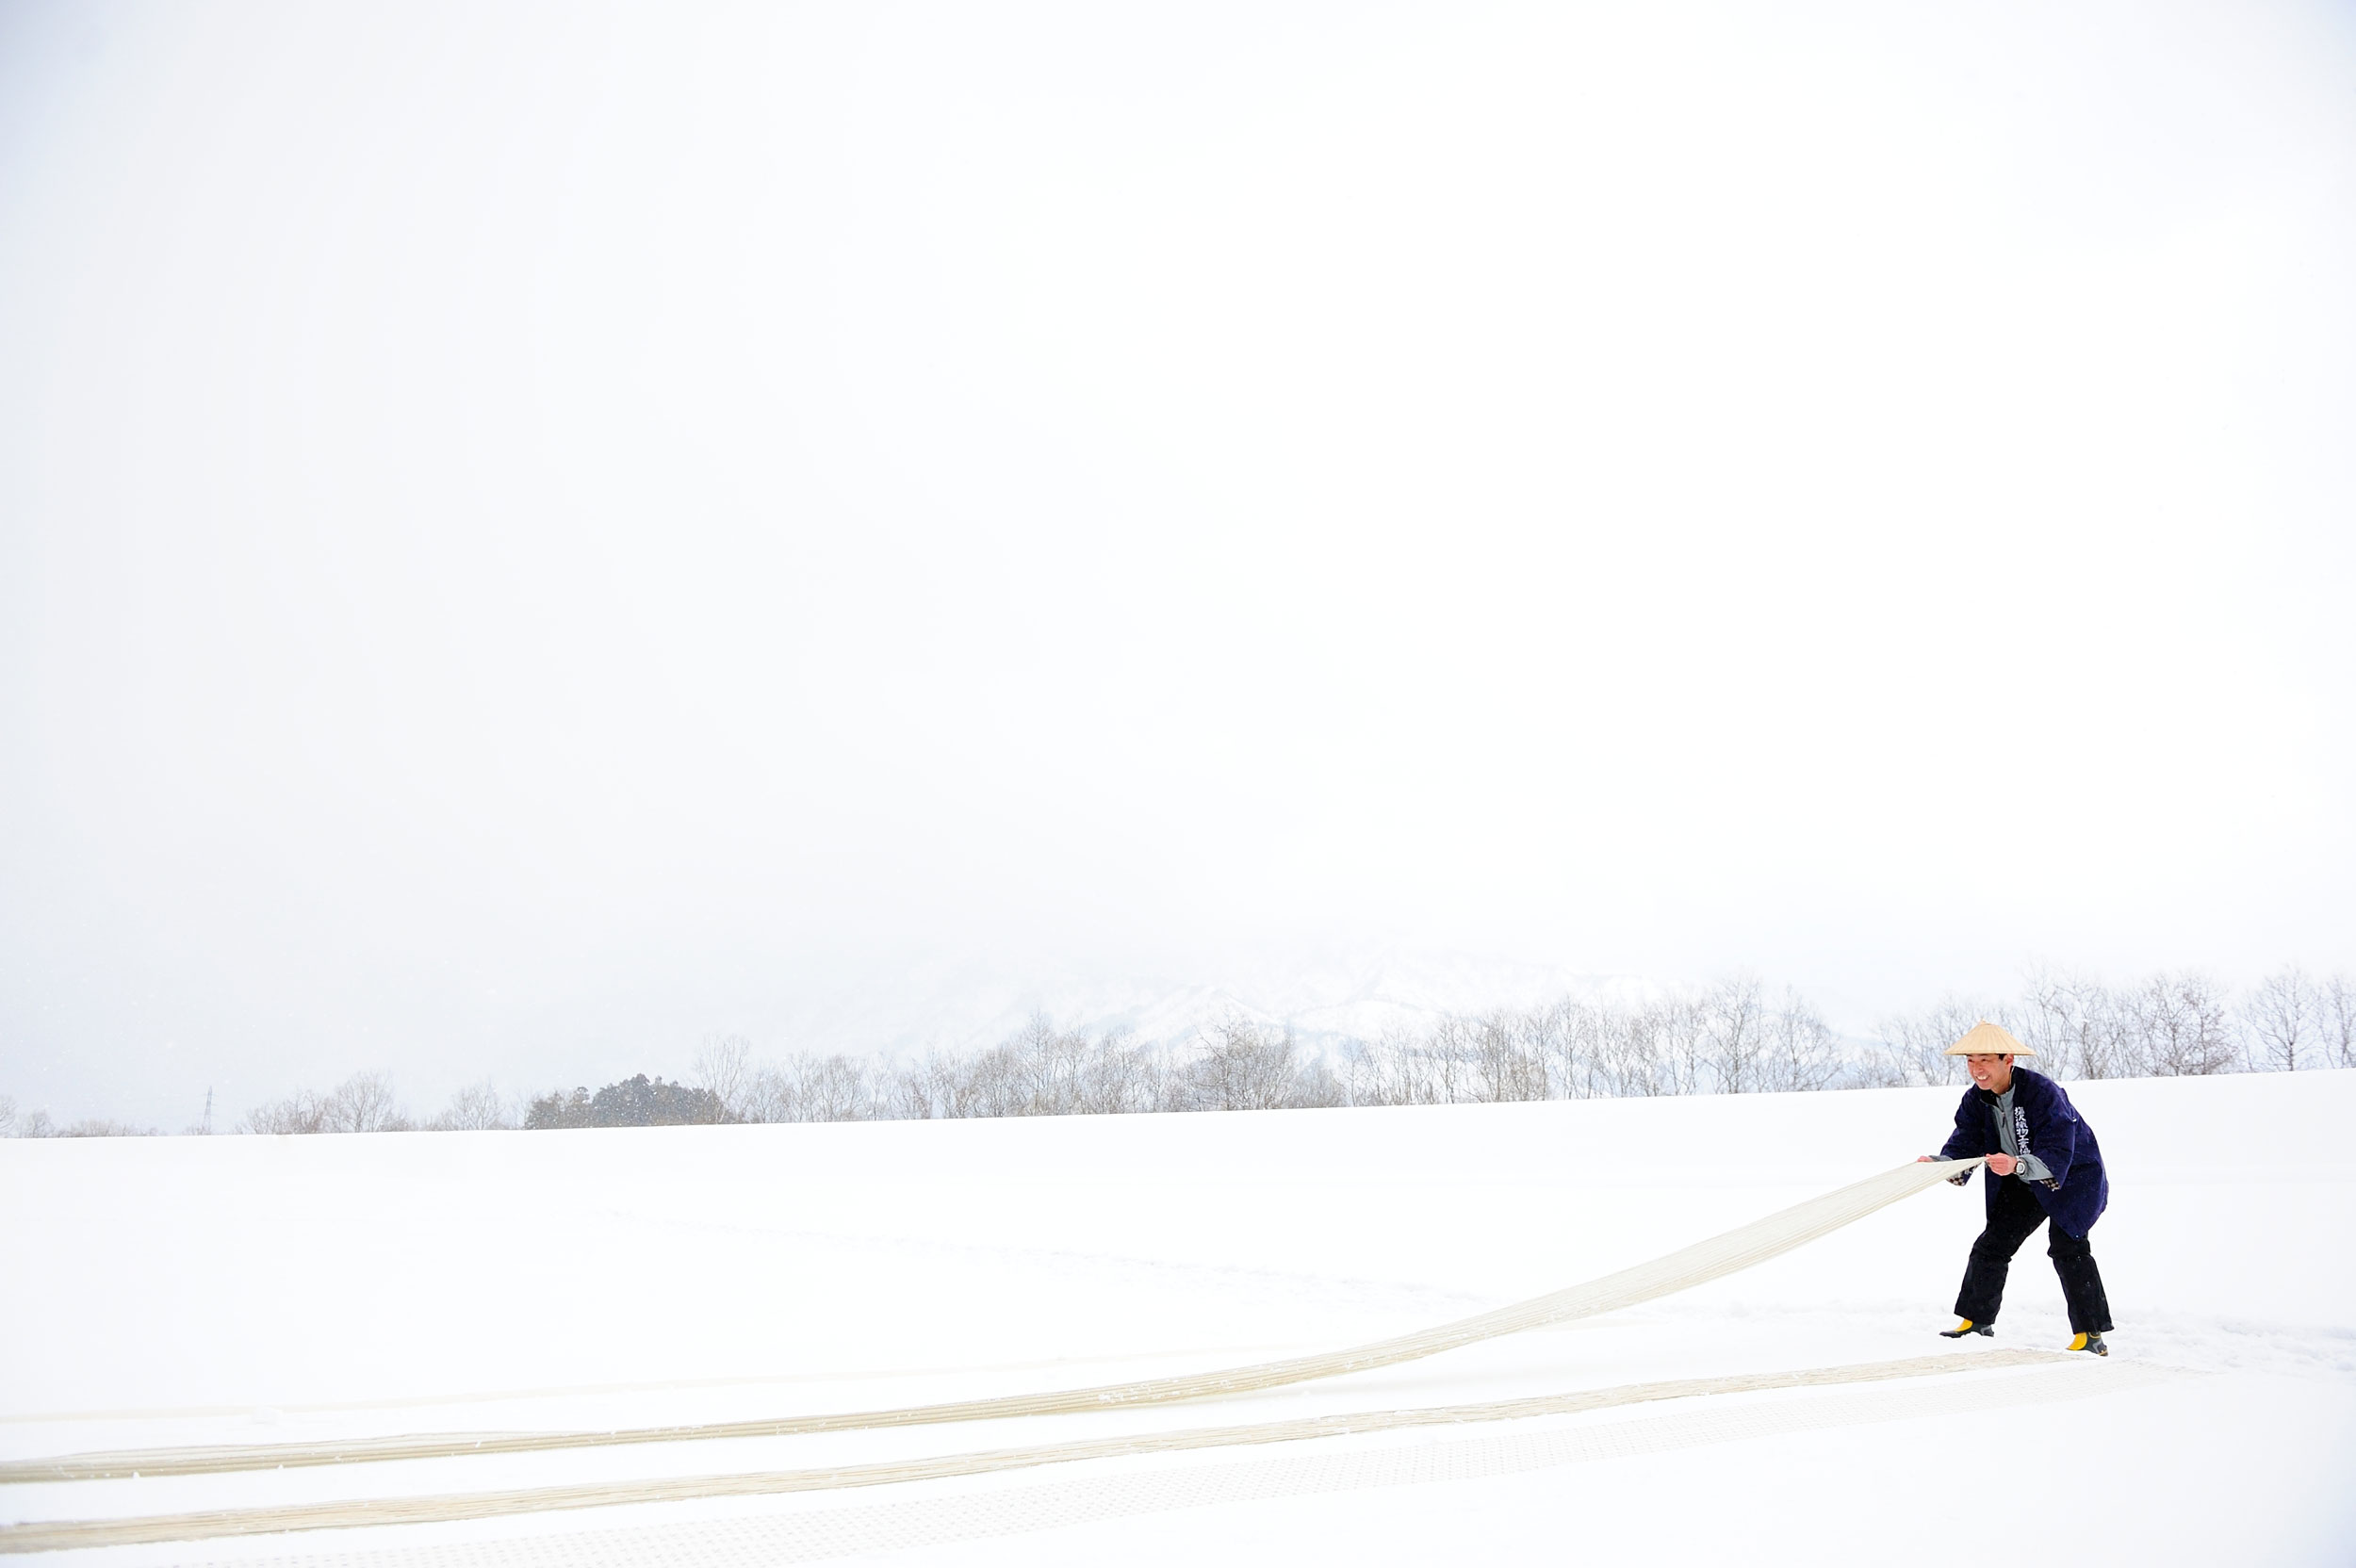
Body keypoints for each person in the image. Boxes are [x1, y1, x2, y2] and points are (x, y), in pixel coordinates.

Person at [1917, 1021, 2113, 1355]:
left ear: (2008, 1060)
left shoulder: (2043, 1093)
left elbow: (2058, 1147)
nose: (1977, 1069)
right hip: (2020, 1179)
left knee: (2069, 1248)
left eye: (1985, 1060)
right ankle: (1976, 1322)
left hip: (2072, 1177)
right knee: (1992, 1245)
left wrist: (2018, 1163)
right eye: (1970, 1061)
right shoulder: (1975, 1099)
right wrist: (1943, 1163)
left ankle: (2090, 1336)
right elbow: (1965, 1141)